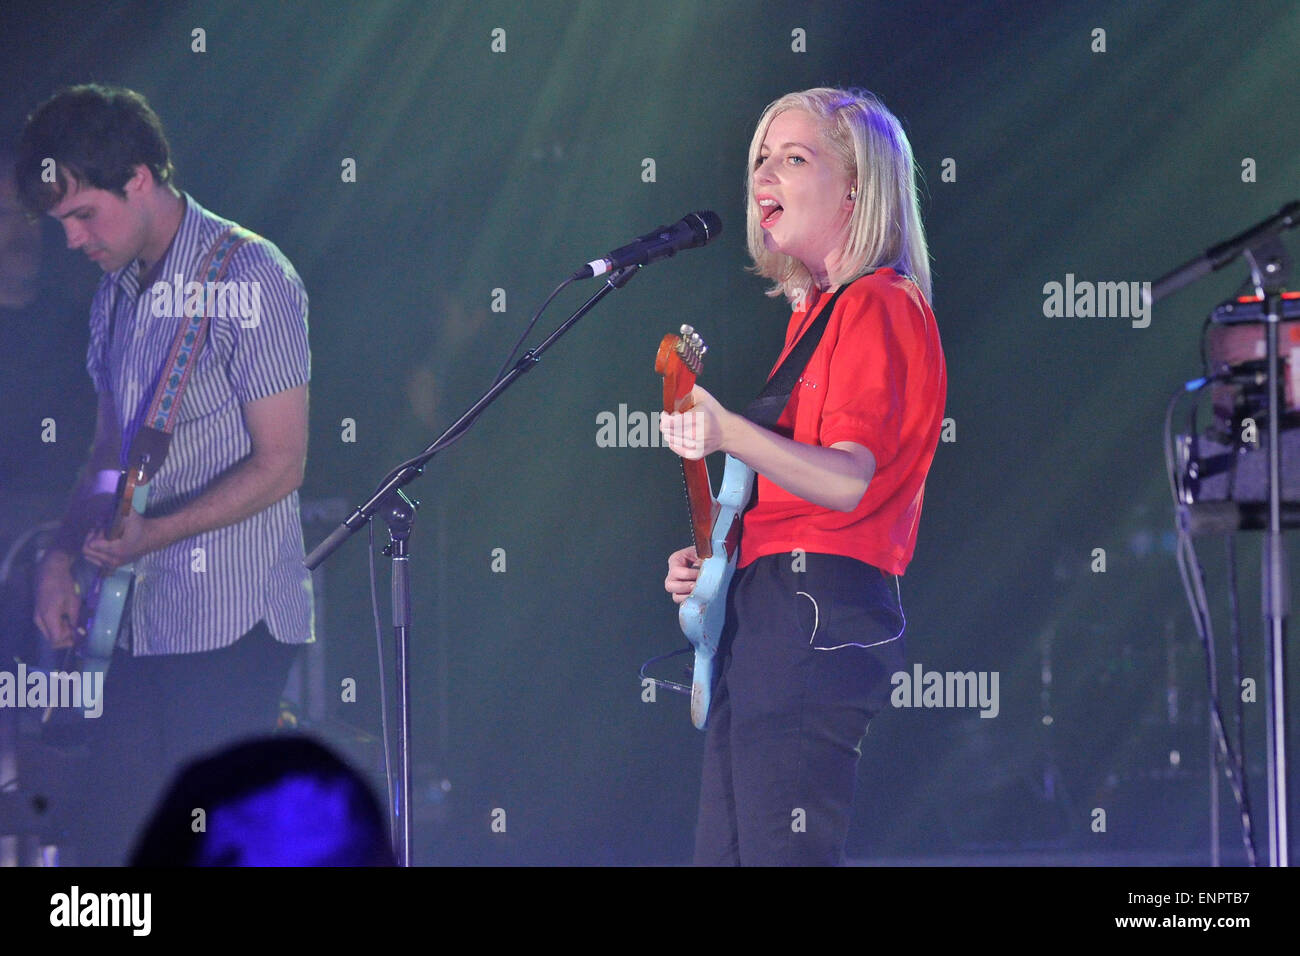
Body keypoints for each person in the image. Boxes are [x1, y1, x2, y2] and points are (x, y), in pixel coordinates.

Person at [16, 84, 314, 864]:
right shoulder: (113, 299)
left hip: (231, 617)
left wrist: (159, 532)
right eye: (61, 224)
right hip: (139, 621)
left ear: (139, 178)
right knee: (103, 850)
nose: (74, 241)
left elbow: (283, 462)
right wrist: (57, 557)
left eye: (84, 215)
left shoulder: (251, 275)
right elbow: (108, 455)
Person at [661, 87, 946, 866]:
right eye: (760, 158)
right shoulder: (815, 315)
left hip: (814, 608)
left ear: (858, 187)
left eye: (793, 158)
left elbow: (848, 482)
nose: (764, 176)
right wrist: (719, 558)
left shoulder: (879, 303)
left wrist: (728, 430)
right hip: (772, 603)